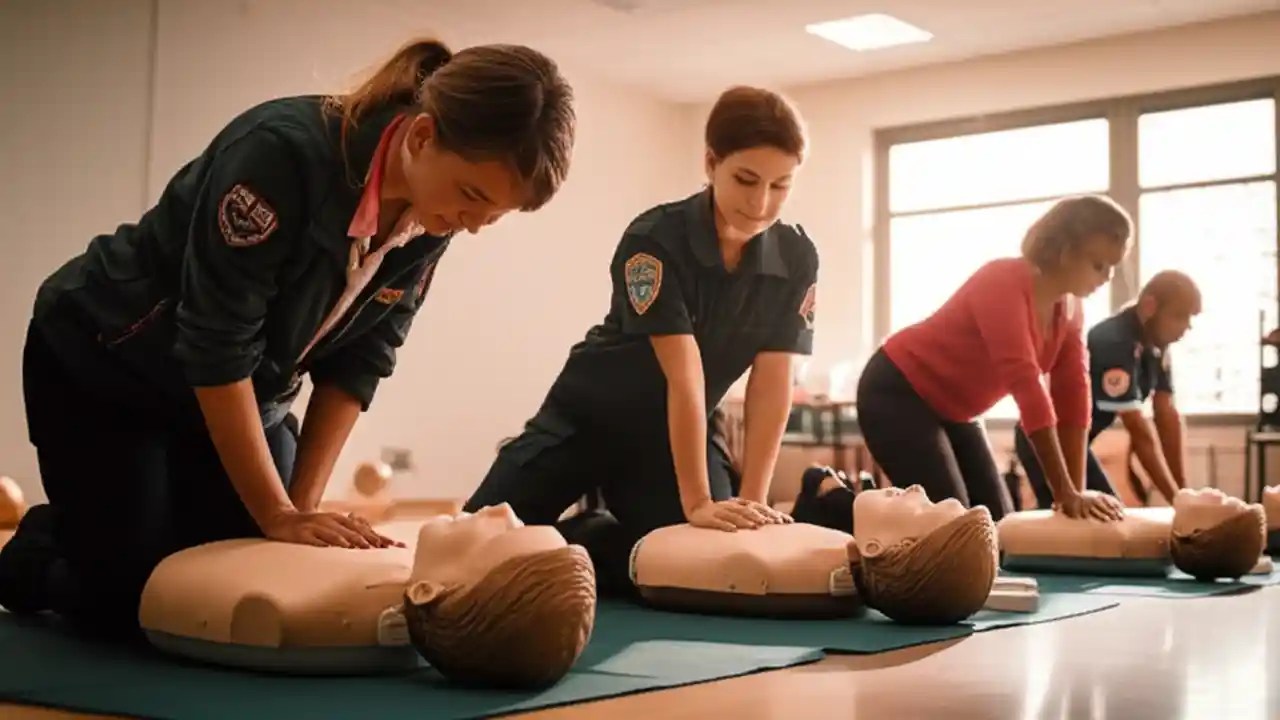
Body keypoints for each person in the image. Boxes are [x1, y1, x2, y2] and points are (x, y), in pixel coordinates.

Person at [0, 38, 576, 640]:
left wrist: (295, 516)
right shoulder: (280, 153)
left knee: (238, 568)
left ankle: (110, 528)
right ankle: (37, 554)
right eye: (474, 199)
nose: (475, 225)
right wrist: (276, 513)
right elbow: (216, 342)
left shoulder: (435, 213)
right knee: (139, 599)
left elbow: (361, 362)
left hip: (245, 389)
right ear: (424, 136)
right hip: (110, 362)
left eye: (495, 215)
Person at [463, 86, 817, 595]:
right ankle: (550, 523)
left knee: (703, 566)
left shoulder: (797, 256)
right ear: (710, 162)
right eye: (745, 179)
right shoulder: (653, 239)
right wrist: (697, 501)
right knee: (473, 550)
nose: (760, 204)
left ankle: (586, 541)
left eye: (780, 185)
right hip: (586, 419)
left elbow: (773, 384)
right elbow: (685, 373)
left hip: (674, 439)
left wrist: (752, 504)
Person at [855, 196, 1133, 524]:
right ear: (1065, 251)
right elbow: (1027, 387)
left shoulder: (1070, 310)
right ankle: (829, 495)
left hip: (957, 412)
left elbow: (1073, 395)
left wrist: (1076, 493)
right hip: (897, 391)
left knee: (999, 527)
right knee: (956, 526)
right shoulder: (1003, 281)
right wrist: (1063, 492)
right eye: (1099, 265)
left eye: (1112, 267)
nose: (1108, 276)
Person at [1015, 271, 1200, 508]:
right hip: (1044, 438)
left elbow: (1167, 416)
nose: (1186, 327)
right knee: (1084, 520)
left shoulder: (1156, 346)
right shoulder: (1114, 340)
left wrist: (1184, 494)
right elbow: (1140, 432)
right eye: (1179, 316)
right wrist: (1176, 501)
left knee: (1106, 514)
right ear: (1150, 306)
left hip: (1074, 442)